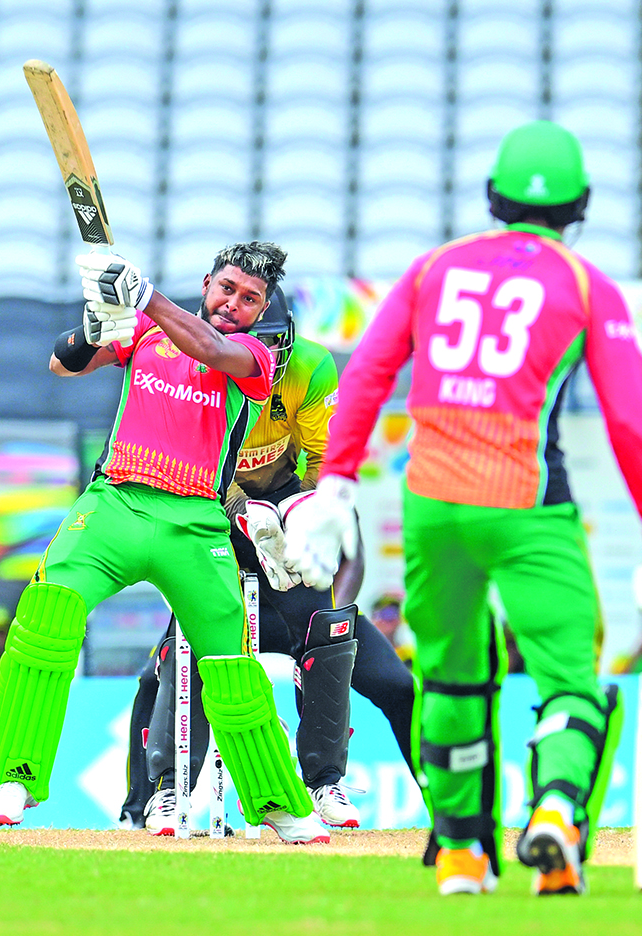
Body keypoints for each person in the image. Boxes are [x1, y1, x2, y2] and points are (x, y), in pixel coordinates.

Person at [283, 120, 642, 895]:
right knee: (568, 678)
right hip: (528, 503)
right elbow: (628, 422)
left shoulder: (432, 269)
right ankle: (555, 812)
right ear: (581, 205)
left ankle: (461, 853)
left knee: (452, 681)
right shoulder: (588, 287)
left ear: (491, 196)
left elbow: (369, 374)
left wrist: (336, 486)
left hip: (433, 505)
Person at [0, 241, 329, 844]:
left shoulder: (254, 355)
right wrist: (94, 330)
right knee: (46, 613)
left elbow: (210, 349)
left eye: (250, 299)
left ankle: (278, 802)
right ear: (207, 282)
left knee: (230, 666)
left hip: (194, 524)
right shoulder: (143, 329)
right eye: (227, 289)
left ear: (261, 309)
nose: (234, 304)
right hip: (115, 503)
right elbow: (63, 364)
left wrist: (146, 299)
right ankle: (17, 776)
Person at [120, 288, 417, 834]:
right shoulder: (194, 367)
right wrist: (241, 510)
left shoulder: (309, 367)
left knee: (388, 678)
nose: (268, 359)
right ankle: (149, 804)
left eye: (276, 343)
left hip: (290, 541)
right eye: (254, 345)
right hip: (221, 529)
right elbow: (192, 478)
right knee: (163, 668)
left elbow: (333, 485)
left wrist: (329, 619)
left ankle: (340, 786)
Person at [369, 593, 415, 668]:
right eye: (377, 614)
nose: (382, 620)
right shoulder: (366, 656)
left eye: (390, 613)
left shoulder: (410, 654)